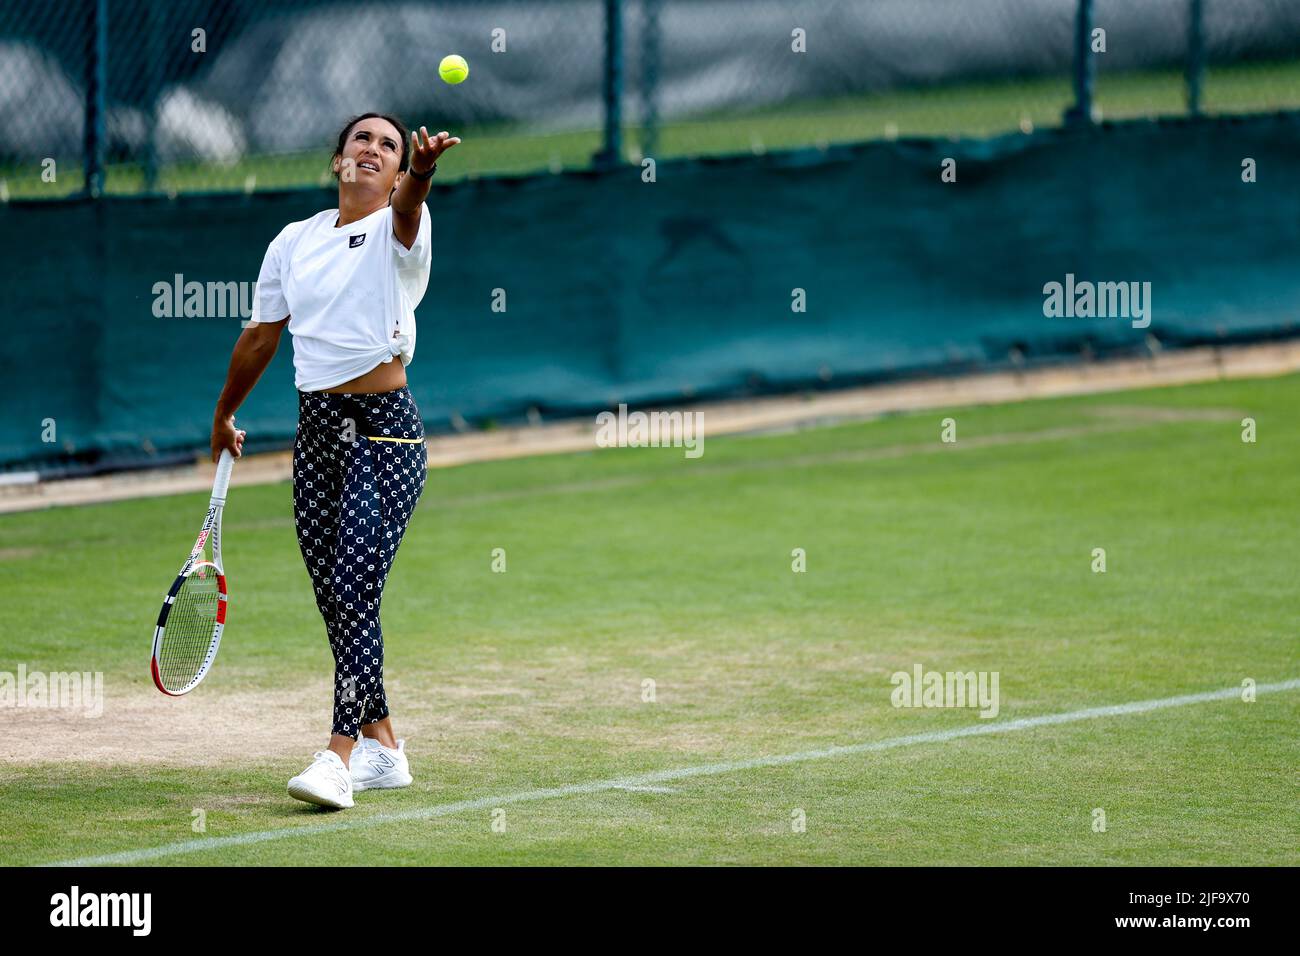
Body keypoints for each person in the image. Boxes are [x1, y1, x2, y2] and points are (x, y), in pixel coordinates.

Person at [209, 113, 460, 809]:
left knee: (353, 584)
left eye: (389, 144)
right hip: (315, 433)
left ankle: (338, 755)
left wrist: (424, 170)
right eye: (363, 141)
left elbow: (410, 203)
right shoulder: (293, 242)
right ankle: (387, 746)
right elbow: (261, 335)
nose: (375, 150)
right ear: (338, 161)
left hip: (386, 435)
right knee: (338, 599)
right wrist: (225, 411)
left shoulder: (401, 226)